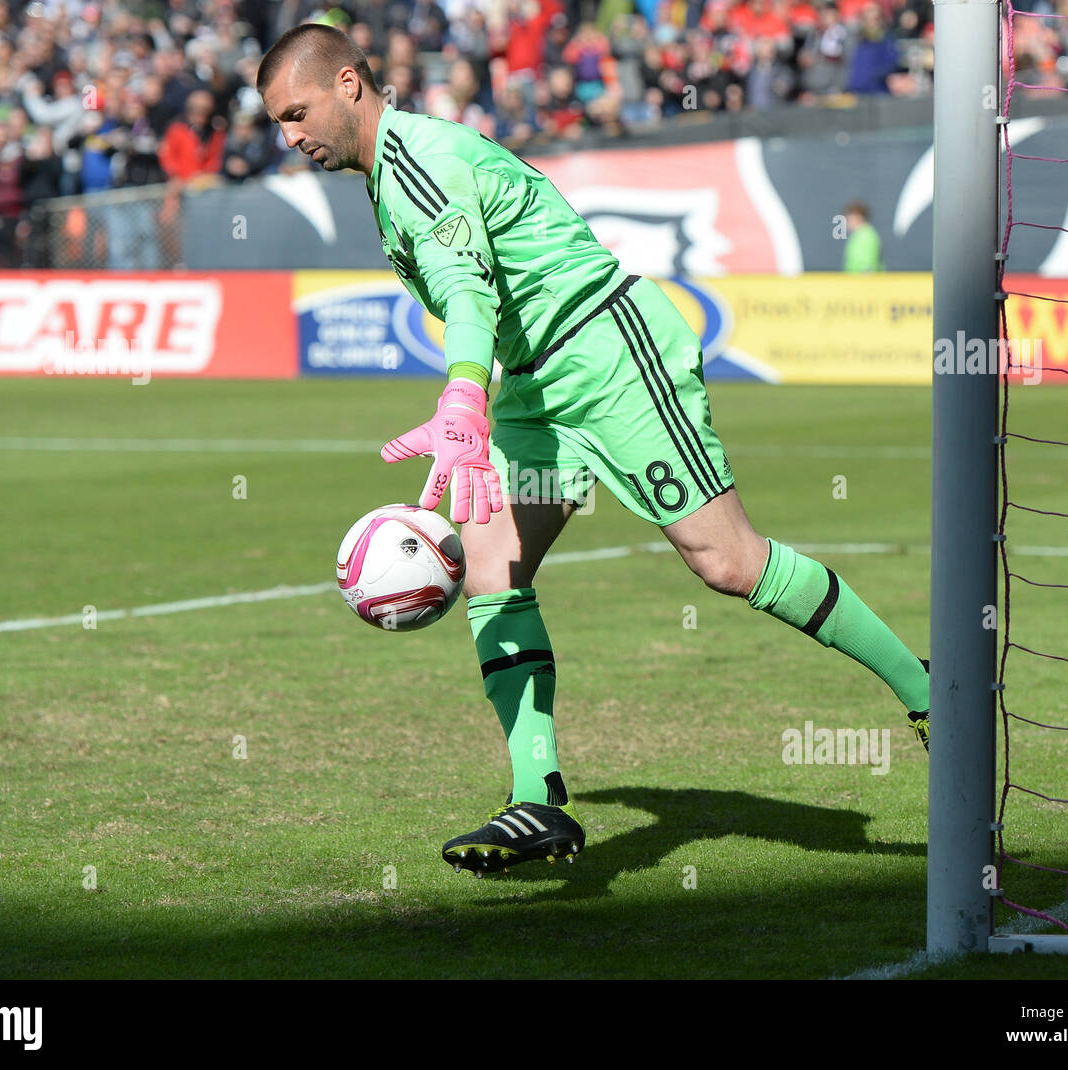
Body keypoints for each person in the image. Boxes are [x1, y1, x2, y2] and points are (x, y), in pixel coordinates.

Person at [257, 24, 931, 876]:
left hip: (607, 358)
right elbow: (485, 290)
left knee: (726, 563)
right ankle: (538, 800)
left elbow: (466, 291)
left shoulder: (419, 160)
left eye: (295, 113)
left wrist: (463, 396)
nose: (289, 139)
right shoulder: (391, 174)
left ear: (348, 83)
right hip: (538, 390)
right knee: (494, 566)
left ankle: (926, 691)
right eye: (278, 123)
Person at [842, 199, 885, 272]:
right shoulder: (858, 235)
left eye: (848, 219)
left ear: (859, 217)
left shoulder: (866, 236)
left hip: (865, 282)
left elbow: (868, 268)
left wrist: (864, 282)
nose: (846, 222)